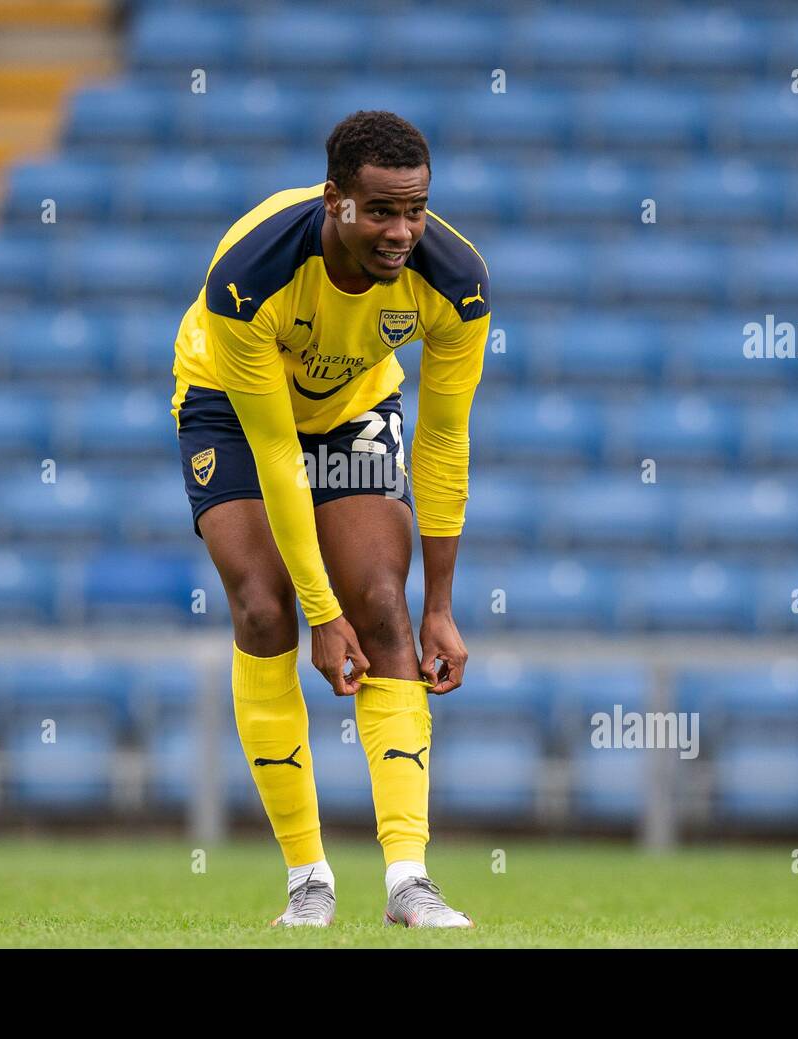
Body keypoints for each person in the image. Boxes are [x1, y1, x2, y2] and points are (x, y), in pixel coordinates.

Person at [169, 110, 490, 927]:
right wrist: (320, 611)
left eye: (415, 210)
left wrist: (442, 607)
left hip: (353, 404)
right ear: (333, 201)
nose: (401, 231)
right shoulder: (249, 276)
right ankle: (308, 879)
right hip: (233, 408)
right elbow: (279, 455)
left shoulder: (457, 283)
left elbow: (444, 440)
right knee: (262, 604)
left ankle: (409, 879)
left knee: (383, 603)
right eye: (380, 211)